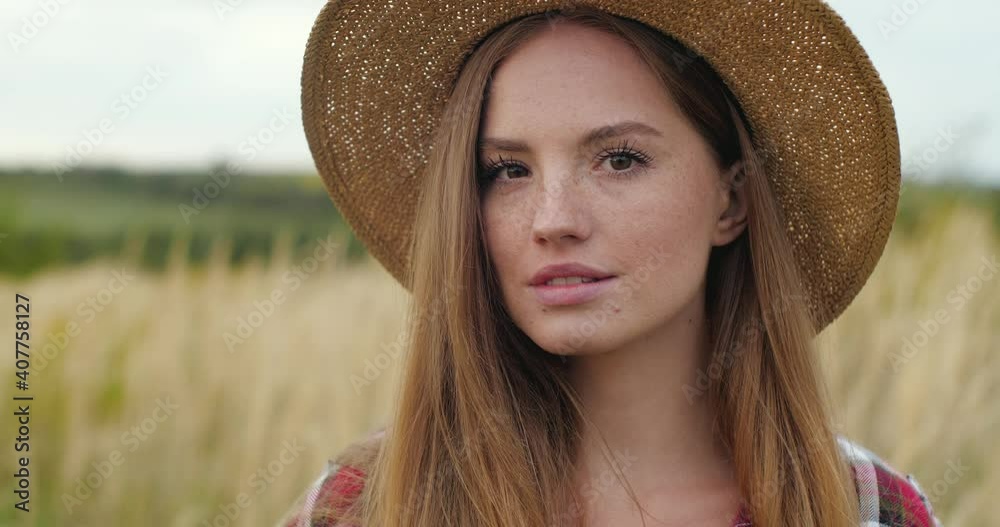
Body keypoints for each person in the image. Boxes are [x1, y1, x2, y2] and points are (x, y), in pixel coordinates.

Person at [281, 1, 943, 525]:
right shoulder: (364, 508)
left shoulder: (868, 512)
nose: (553, 219)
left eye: (620, 158)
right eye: (507, 170)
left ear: (732, 199)